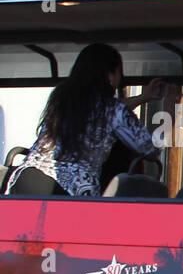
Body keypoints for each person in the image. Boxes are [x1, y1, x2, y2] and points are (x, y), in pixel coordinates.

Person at [5, 43, 169, 197]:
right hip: (68, 186)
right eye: (120, 72)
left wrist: (142, 98)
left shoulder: (62, 98)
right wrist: (169, 110)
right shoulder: (112, 110)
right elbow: (149, 148)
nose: (121, 78)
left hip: (25, 177)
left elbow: (101, 111)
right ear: (109, 75)